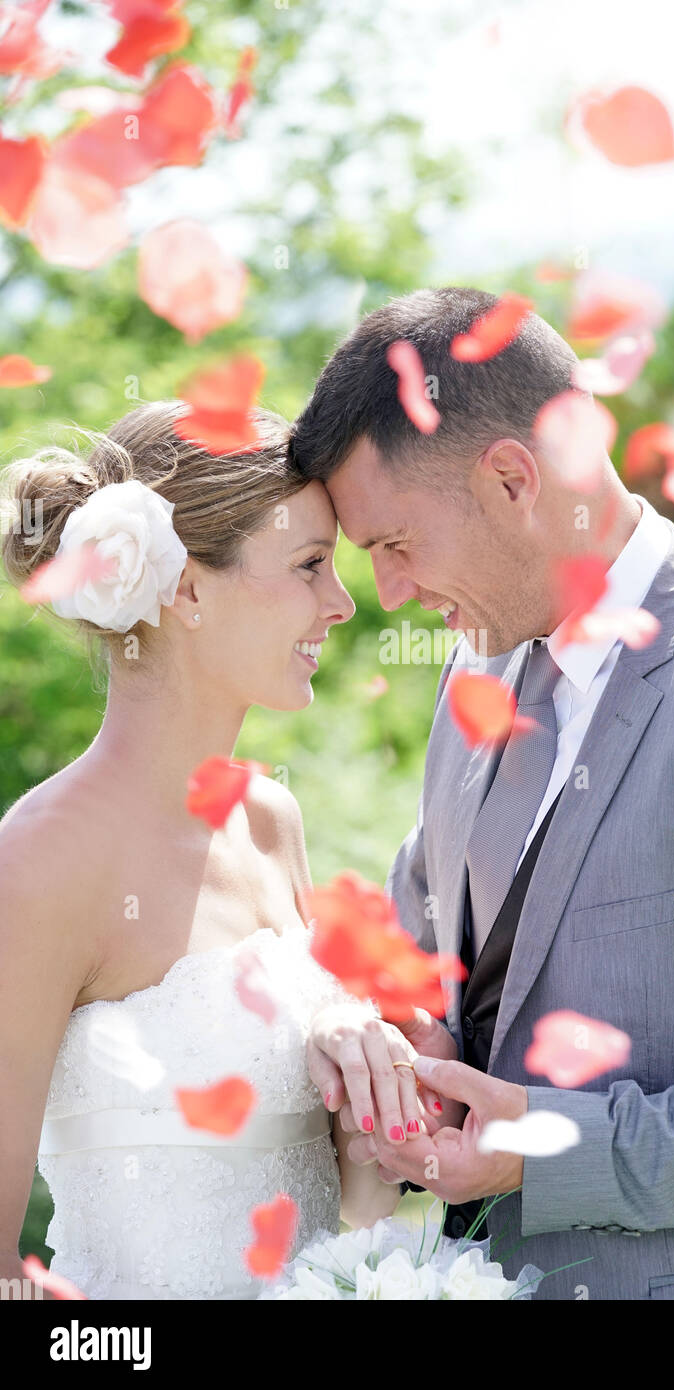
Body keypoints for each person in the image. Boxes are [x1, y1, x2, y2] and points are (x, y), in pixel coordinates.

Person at [299, 287, 674, 1300]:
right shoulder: (470, 684)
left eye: (392, 543)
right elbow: (426, 955)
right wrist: (411, 1038)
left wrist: (551, 1149)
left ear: (512, 479)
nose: (386, 591)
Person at [0, 400, 428, 1300]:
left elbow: (349, 1203)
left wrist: (371, 1084)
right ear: (187, 589)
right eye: (310, 567)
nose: (341, 603)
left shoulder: (272, 823)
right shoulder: (40, 860)